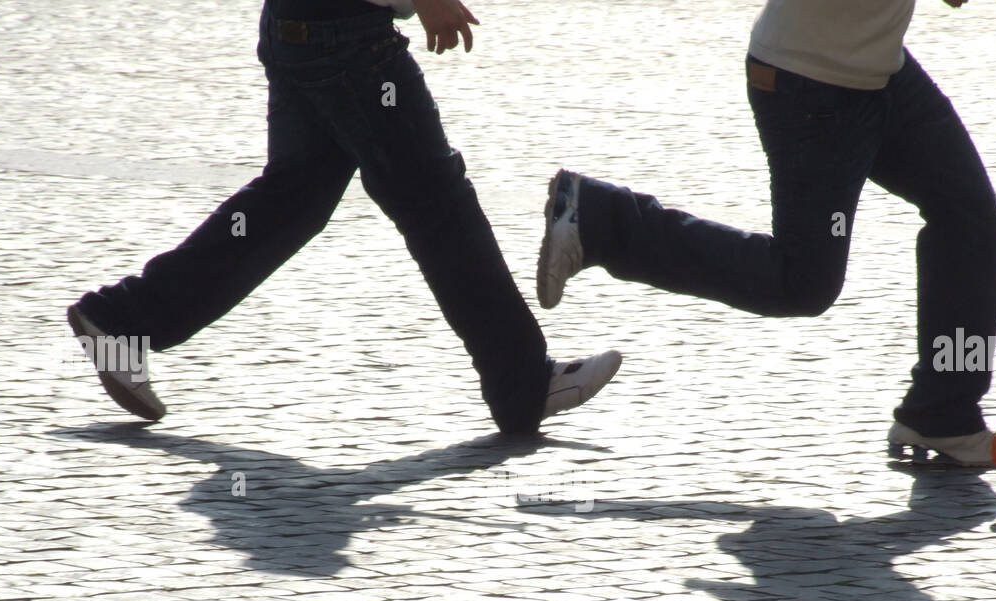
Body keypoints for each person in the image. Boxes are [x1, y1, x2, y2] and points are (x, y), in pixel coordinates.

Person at [69, 0, 620, 435]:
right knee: (437, 205)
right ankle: (524, 383)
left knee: (293, 199)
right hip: (349, 41)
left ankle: (125, 321)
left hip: (300, 26)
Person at [537, 0, 996, 465]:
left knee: (969, 219)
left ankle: (944, 413)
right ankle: (601, 220)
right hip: (811, 86)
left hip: (879, 70)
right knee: (803, 282)